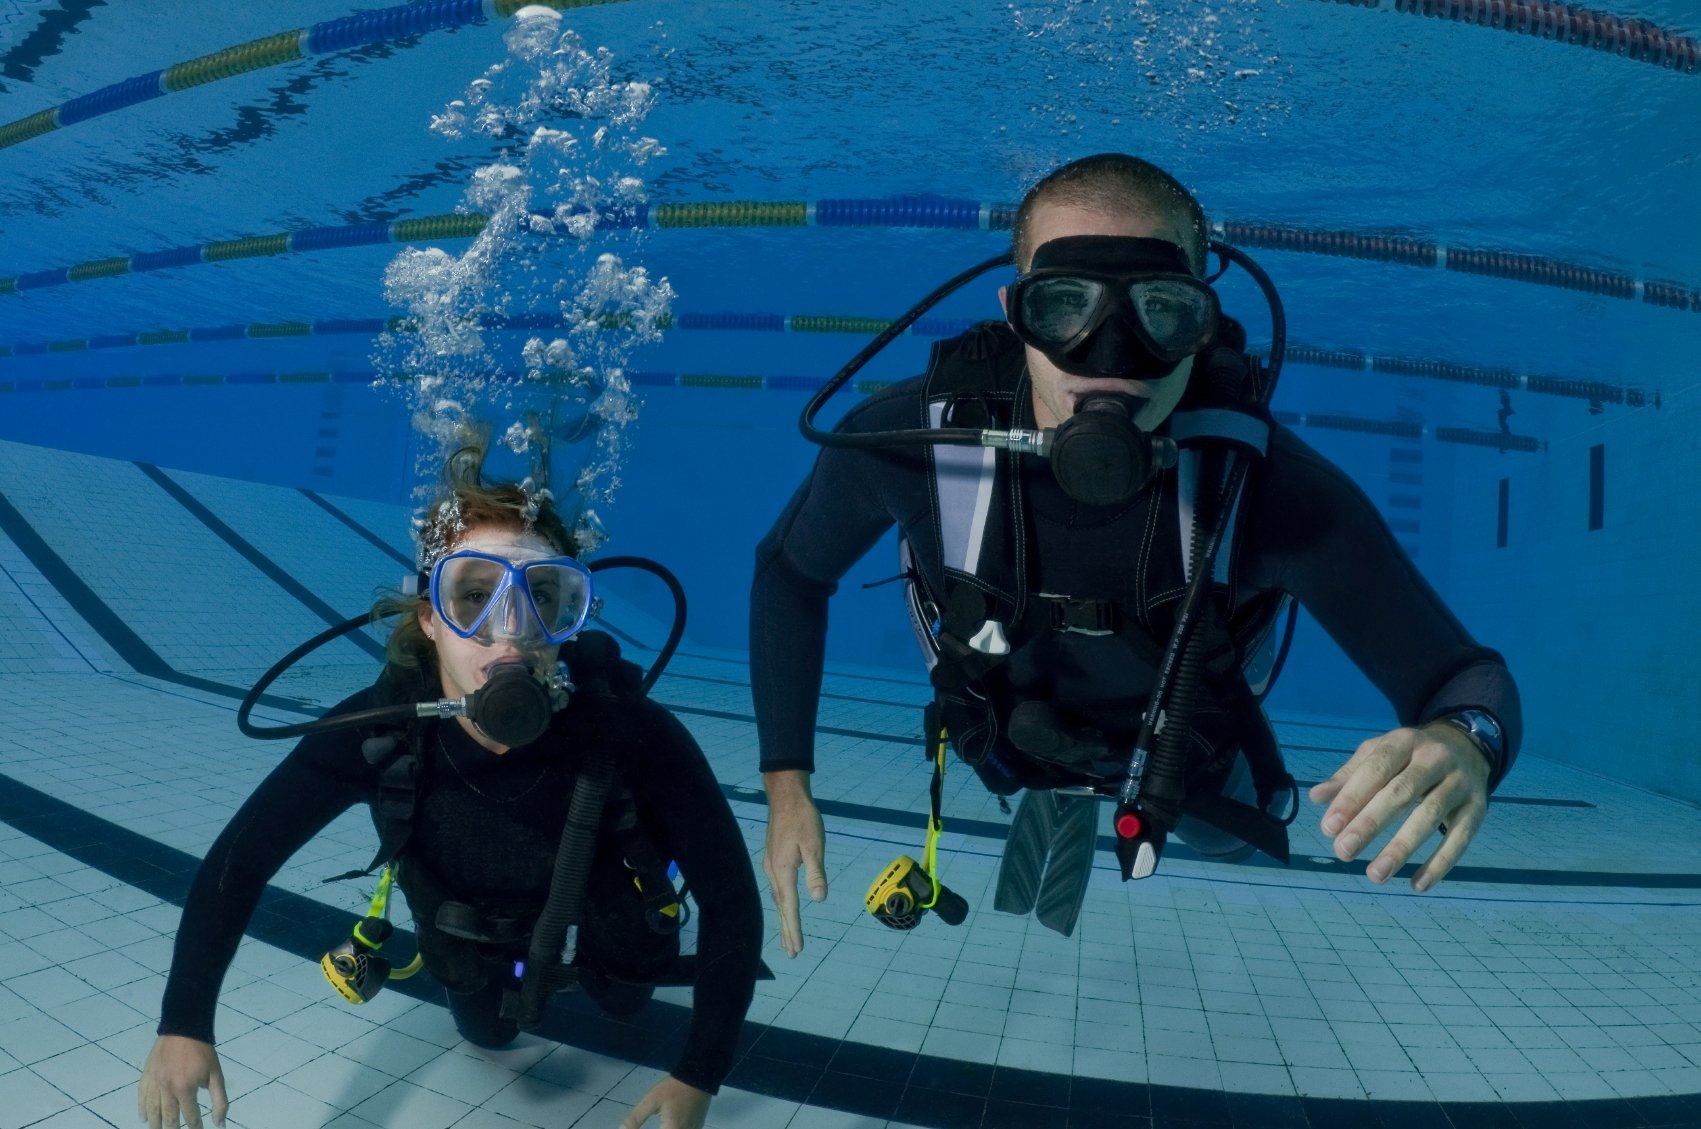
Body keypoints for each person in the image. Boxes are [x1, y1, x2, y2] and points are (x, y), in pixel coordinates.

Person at [754, 153, 1521, 955]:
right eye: (1064, 307)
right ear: (1015, 311)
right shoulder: (909, 442)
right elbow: (788, 575)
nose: (1112, 354)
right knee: (1015, 769)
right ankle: (1062, 794)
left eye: (1159, 310)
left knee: (1232, 834)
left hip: (1183, 745)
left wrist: (1464, 740)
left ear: (1203, 319)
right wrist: (785, 784)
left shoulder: (1268, 491)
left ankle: (1105, 799)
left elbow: (1462, 678)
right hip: (1006, 727)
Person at [138, 451, 761, 1129]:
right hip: (466, 926)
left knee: (626, 1001)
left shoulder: (627, 729)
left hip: (597, 902)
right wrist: (184, 1023)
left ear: (569, 614)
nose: (511, 628)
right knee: (486, 1035)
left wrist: (699, 1072)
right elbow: (242, 860)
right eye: (474, 595)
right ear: (430, 616)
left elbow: (731, 898)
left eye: (542, 596)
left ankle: (615, 968)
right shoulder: (379, 732)